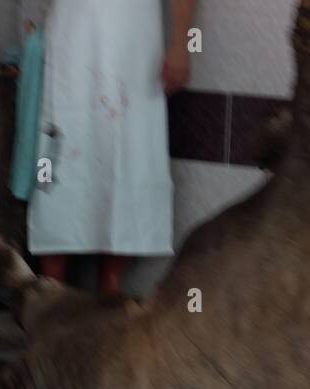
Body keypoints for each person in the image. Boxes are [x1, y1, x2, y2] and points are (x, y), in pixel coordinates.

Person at [27, 0, 197, 297]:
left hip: (135, 44)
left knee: (130, 147)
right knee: (59, 157)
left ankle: (111, 293)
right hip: (72, 38)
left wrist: (184, 44)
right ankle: (51, 294)